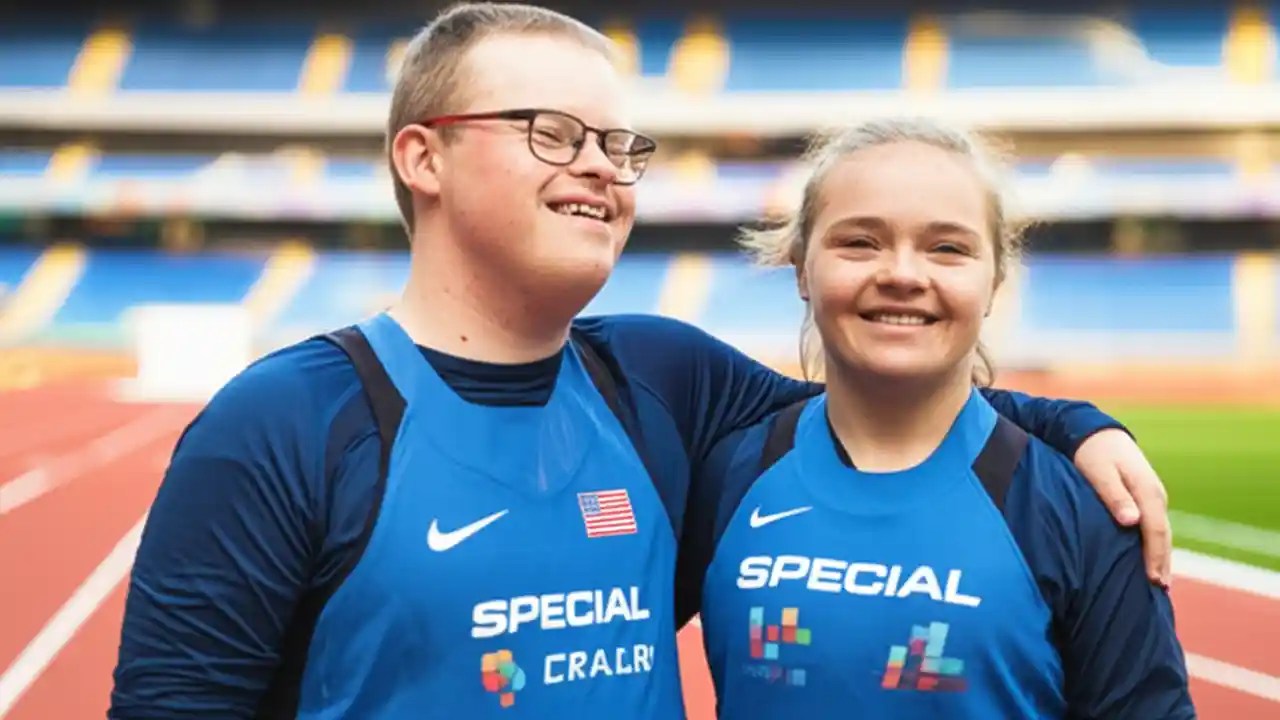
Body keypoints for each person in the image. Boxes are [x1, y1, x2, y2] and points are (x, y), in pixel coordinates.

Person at [108, 4, 1174, 718]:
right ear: (419, 155)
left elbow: (886, 393)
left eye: (618, 147)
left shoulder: (661, 384)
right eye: (551, 131)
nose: (600, 170)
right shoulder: (283, 423)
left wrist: (1076, 427)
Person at [684, 118, 1194, 718]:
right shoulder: (724, 473)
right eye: (859, 242)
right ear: (800, 267)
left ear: (994, 279)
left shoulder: (1080, 508)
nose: (902, 275)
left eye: (947, 248)